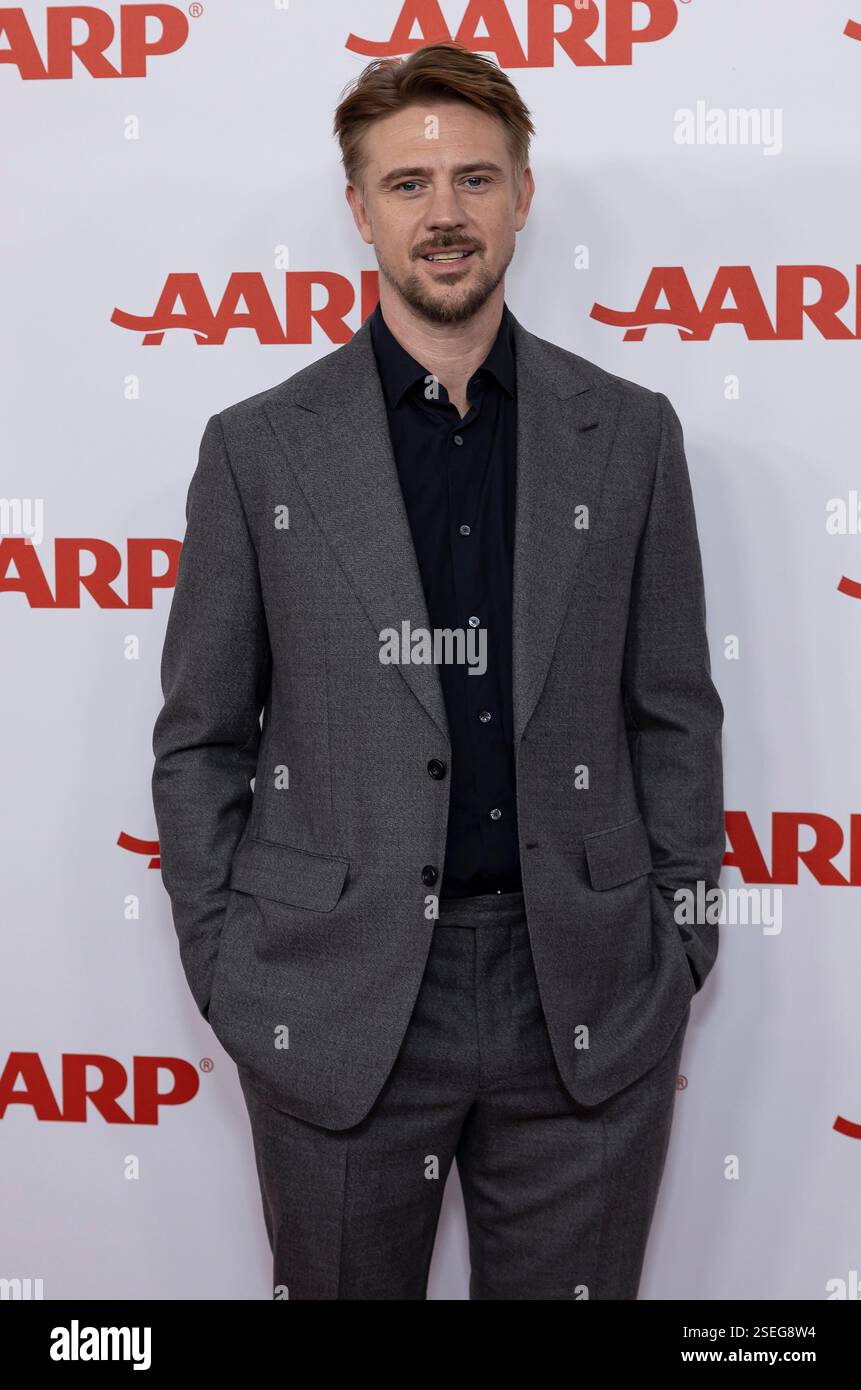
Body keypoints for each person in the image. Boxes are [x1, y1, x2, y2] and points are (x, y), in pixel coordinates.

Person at [151, 40, 725, 1300]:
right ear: (357, 211)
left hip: (583, 989)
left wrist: (679, 937)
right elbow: (200, 739)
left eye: (474, 178)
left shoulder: (628, 436)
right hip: (334, 995)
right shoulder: (256, 452)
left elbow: (671, 708)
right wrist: (227, 963)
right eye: (407, 186)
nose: (445, 214)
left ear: (523, 195)